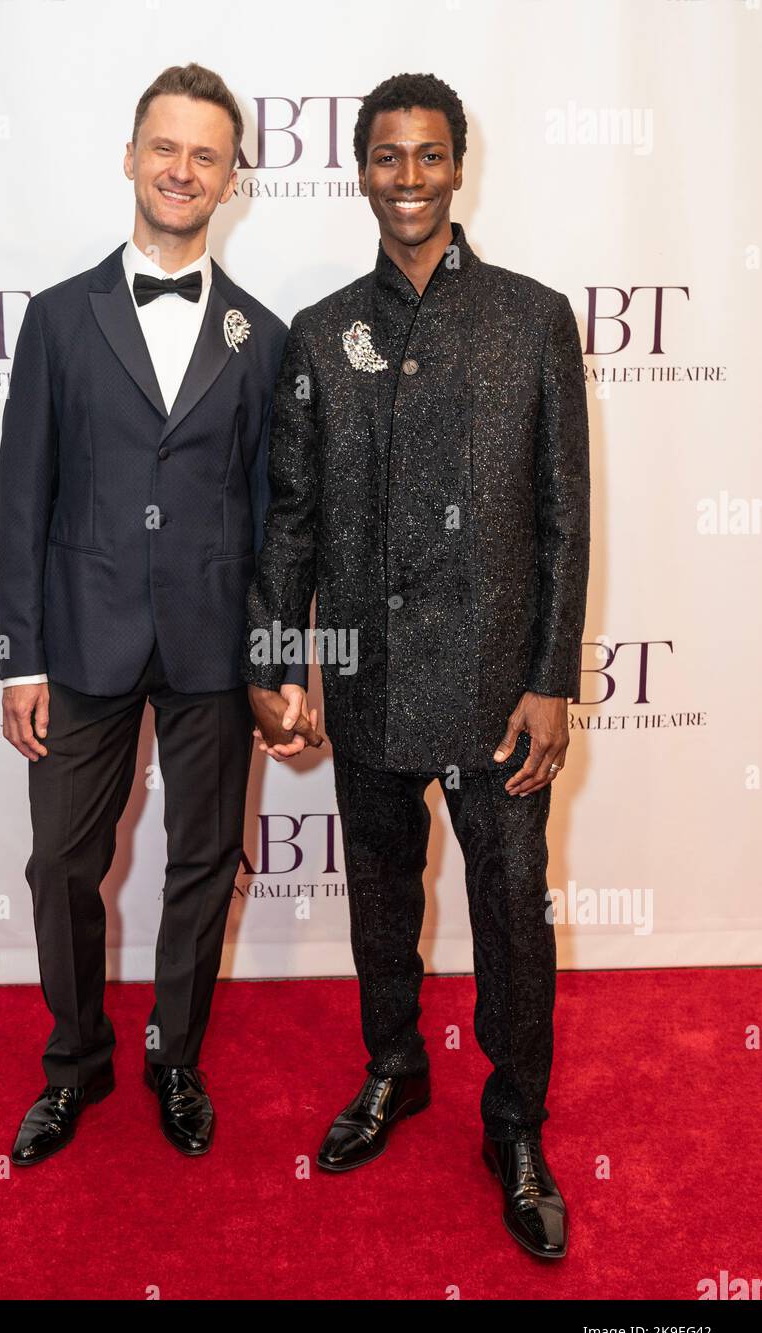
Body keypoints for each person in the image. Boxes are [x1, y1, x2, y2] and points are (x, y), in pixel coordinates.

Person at [243, 72, 590, 1258]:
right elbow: (289, 515)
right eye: (386, 156)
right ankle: (395, 1067)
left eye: (428, 156)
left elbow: (562, 517)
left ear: (458, 166)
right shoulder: (319, 330)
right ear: (359, 169)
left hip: (499, 688)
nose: (408, 178)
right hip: (371, 672)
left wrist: (552, 677)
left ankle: (516, 1121)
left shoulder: (533, 317)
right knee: (382, 899)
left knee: (510, 913)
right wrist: (272, 655)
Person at [0, 62, 309, 1167]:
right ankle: (76, 1061)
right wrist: (21, 657)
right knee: (60, 866)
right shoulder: (55, 320)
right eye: (164, 148)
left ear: (233, 180)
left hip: (216, 646)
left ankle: (174, 1054)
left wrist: (277, 662)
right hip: (79, 634)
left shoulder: (265, 340)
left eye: (206, 155)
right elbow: (22, 495)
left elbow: (282, 520)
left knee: (203, 861)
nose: (181, 170)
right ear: (131, 157)